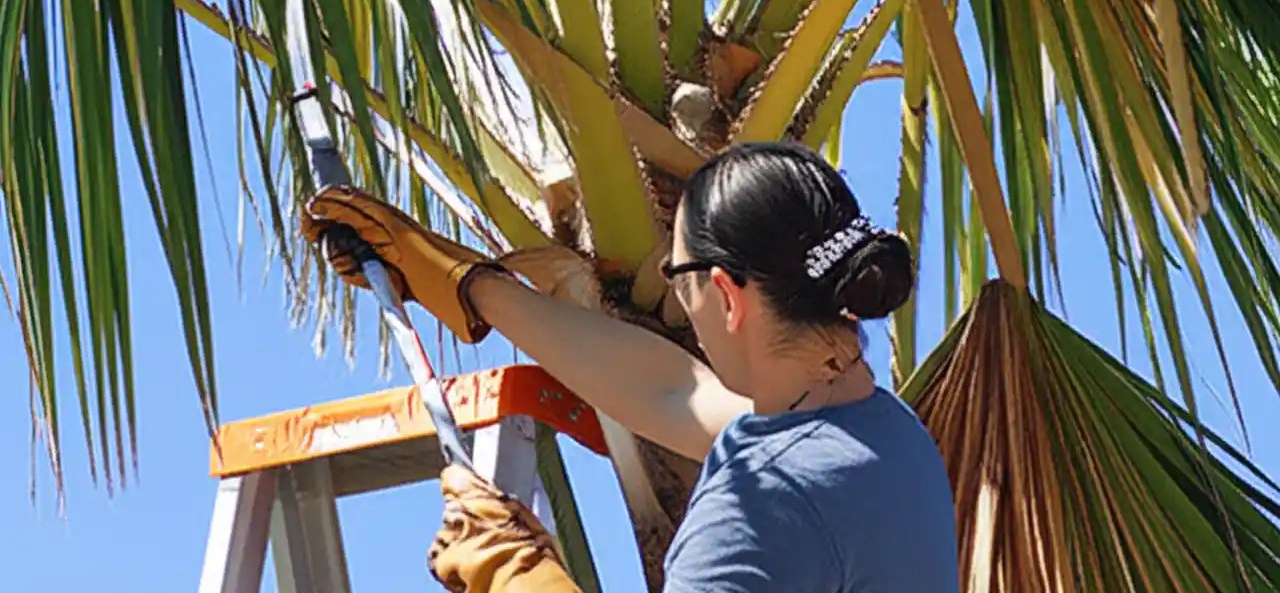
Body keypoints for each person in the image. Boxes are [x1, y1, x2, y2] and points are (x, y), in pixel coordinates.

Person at [302, 141, 960, 592]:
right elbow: (671, 389)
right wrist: (464, 284)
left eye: (680, 281)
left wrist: (515, 571)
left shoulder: (760, 507)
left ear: (726, 293)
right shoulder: (875, 431)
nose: (683, 300)